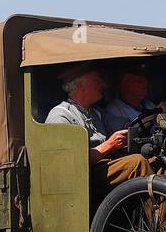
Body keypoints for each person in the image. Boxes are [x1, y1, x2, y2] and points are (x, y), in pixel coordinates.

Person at [45, 62, 158, 192]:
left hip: (105, 168)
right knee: (138, 163)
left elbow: (128, 124)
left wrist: (154, 116)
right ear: (80, 86)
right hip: (84, 177)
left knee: (156, 162)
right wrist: (109, 145)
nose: (103, 85)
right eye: (97, 81)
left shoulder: (96, 112)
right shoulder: (61, 115)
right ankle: (154, 212)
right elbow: (68, 161)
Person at [101, 62, 164, 130]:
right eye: (139, 80)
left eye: (145, 80)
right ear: (124, 84)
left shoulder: (149, 104)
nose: (145, 83)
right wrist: (155, 115)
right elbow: (129, 132)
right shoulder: (114, 110)